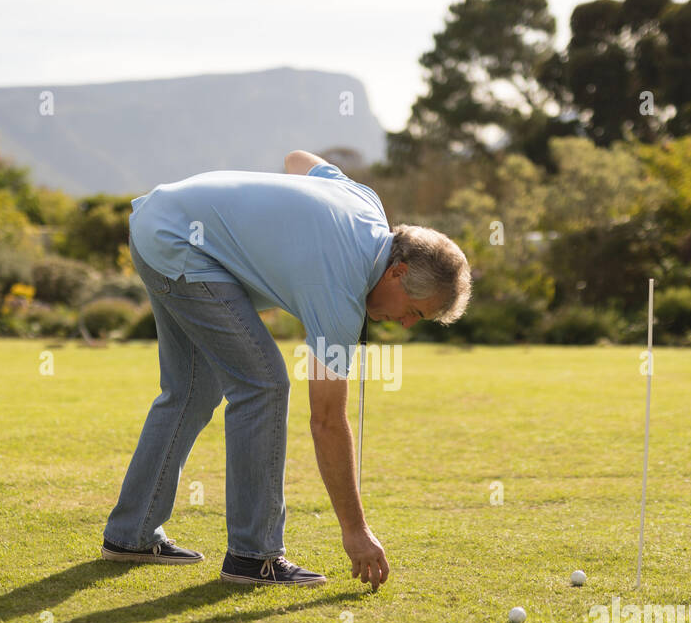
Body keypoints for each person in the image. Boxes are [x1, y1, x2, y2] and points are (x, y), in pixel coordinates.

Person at [101, 150, 471, 590]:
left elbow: (298, 159)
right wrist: (356, 531)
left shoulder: (366, 204)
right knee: (264, 384)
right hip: (180, 244)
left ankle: (132, 535)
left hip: (159, 224)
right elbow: (327, 422)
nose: (406, 324)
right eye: (412, 310)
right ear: (398, 271)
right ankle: (253, 556)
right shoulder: (341, 291)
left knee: (192, 391)